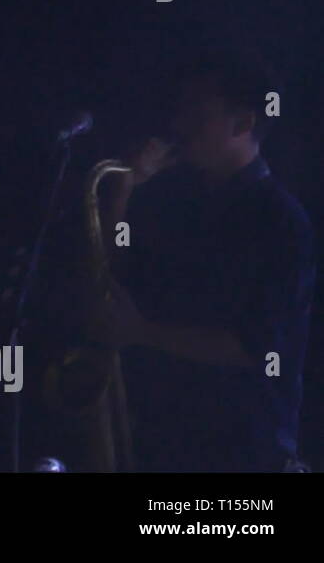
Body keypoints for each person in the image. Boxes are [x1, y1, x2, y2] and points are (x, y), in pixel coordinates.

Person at [92, 49, 315, 471]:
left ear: (244, 122)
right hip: (169, 437)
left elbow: (261, 349)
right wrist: (124, 191)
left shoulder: (281, 221)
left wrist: (142, 332)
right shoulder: (180, 199)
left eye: (197, 112)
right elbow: (118, 274)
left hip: (240, 449)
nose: (179, 125)